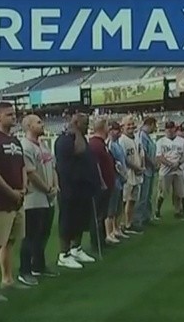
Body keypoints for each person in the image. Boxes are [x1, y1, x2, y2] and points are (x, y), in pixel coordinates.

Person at [0, 102, 34, 297]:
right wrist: (10, 191)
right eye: (9, 114)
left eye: (15, 114)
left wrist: (23, 186)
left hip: (16, 199)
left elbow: (22, 167)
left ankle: (7, 279)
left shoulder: (15, 141)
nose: (14, 117)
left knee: (9, 242)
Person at [52, 111, 98, 269]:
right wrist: (77, 132)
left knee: (80, 220)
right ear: (77, 124)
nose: (87, 127)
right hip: (69, 189)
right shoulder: (64, 140)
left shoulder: (81, 138)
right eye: (85, 124)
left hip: (83, 188)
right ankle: (64, 254)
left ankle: (76, 248)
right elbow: (79, 151)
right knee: (67, 221)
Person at [19, 113, 59, 279]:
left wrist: (55, 186)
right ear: (29, 126)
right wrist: (47, 188)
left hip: (48, 198)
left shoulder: (43, 145)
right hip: (34, 198)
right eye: (38, 122)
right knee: (31, 236)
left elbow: (53, 166)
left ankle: (39, 265)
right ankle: (25, 270)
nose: (42, 124)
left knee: (43, 234)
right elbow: (31, 173)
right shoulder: (26, 146)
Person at [87, 117, 120, 245]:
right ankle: (97, 242)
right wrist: (102, 183)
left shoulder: (101, 143)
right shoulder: (95, 144)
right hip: (101, 187)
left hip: (107, 185)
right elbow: (96, 166)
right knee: (98, 216)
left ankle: (102, 239)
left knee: (103, 214)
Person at [155, 120, 184, 220]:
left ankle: (178, 211)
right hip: (165, 170)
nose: (169, 130)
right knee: (162, 193)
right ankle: (157, 210)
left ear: (174, 128)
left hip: (179, 170)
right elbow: (159, 156)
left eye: (171, 127)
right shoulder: (161, 141)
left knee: (179, 193)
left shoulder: (182, 141)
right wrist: (169, 164)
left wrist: (178, 163)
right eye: (167, 128)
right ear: (165, 129)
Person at [118, 115, 144, 236]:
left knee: (133, 200)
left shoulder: (137, 138)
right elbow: (123, 159)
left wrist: (141, 167)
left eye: (132, 124)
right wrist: (136, 168)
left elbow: (141, 153)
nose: (131, 126)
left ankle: (129, 223)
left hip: (137, 173)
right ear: (122, 126)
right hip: (127, 174)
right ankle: (121, 225)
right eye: (128, 124)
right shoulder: (122, 140)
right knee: (124, 200)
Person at [132, 116, 158, 230]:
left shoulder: (146, 136)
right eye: (154, 125)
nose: (155, 128)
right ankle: (138, 219)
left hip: (150, 170)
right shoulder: (142, 135)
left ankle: (146, 217)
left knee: (148, 195)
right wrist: (152, 163)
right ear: (151, 124)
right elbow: (144, 153)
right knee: (143, 196)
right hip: (145, 170)